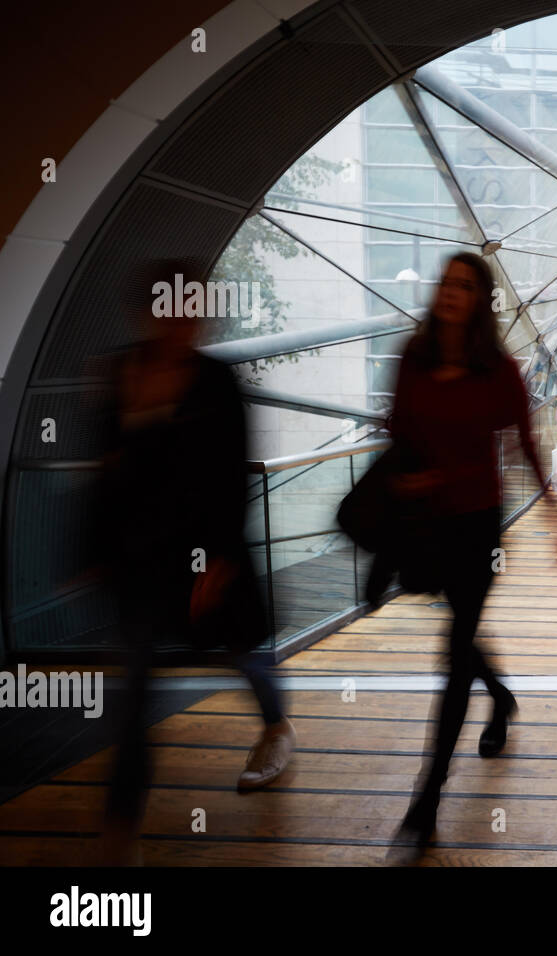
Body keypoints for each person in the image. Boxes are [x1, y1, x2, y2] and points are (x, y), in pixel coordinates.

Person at [97, 257, 294, 863]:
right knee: (132, 696)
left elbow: (229, 480)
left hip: (203, 559)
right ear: (151, 311)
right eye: (173, 307)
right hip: (139, 564)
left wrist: (216, 561)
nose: (186, 320)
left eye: (193, 308)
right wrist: (96, 551)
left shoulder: (215, 383)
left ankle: (275, 727)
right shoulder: (120, 376)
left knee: (240, 653)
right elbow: (105, 476)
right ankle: (118, 839)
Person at [386, 252, 557, 860]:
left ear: (480, 301)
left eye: (464, 286)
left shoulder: (497, 370)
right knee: (461, 638)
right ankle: (501, 696)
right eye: (446, 281)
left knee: (453, 648)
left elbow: (525, 446)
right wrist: (408, 480)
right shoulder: (412, 359)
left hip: (475, 528)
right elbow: (396, 431)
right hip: (423, 525)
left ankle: (427, 799)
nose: (450, 292)